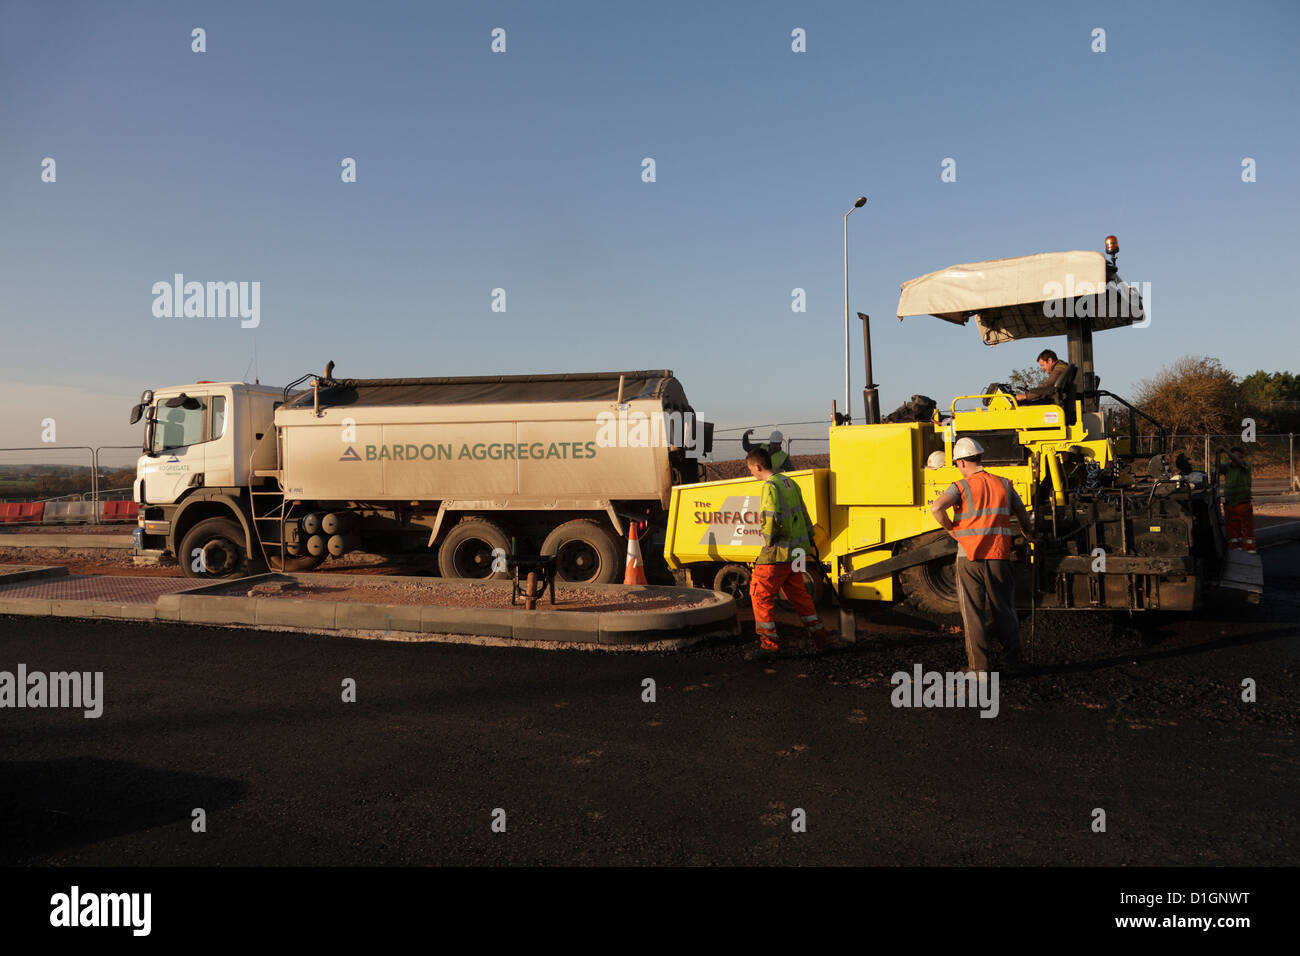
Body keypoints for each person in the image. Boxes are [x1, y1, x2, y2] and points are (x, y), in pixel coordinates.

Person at [929, 437, 1038, 674]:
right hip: (999, 556)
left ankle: (979, 669)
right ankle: (1014, 662)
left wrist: (950, 529)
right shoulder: (1004, 484)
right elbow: (1021, 512)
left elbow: (936, 508)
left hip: (968, 558)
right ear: (979, 458)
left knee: (973, 615)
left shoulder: (960, 486)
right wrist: (1028, 534)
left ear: (961, 462)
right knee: (1005, 610)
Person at [744, 447, 835, 658]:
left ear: (757, 466)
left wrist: (768, 543)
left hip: (778, 555)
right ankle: (820, 636)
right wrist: (810, 540)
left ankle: (769, 645)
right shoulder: (790, 483)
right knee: (799, 594)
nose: (752, 474)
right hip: (797, 553)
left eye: (751, 470)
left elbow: (769, 518)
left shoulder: (770, 487)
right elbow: (804, 514)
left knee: (760, 595)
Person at [1217, 445, 1255, 552]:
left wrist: (1225, 450)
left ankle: (1250, 550)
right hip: (1230, 503)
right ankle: (1236, 549)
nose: (1236, 459)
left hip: (1243, 502)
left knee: (1247, 528)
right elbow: (1217, 467)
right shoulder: (1227, 467)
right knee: (1232, 529)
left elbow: (1238, 462)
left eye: (1239, 457)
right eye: (1234, 456)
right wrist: (1218, 455)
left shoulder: (1246, 465)